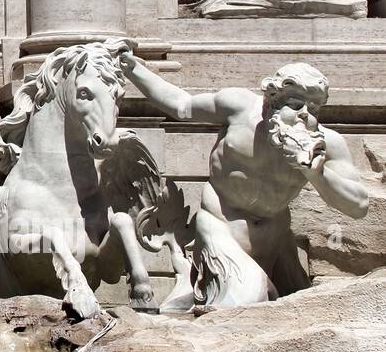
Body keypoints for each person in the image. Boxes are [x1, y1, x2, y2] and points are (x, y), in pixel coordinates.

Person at [118, 46, 371, 294]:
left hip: (276, 240)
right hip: (222, 229)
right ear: (274, 98)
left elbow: (358, 205)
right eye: (295, 104)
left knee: (292, 308)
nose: (305, 114)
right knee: (250, 295)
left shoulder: (327, 143)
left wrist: (317, 174)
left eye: (314, 108)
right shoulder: (239, 108)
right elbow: (181, 105)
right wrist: (134, 69)